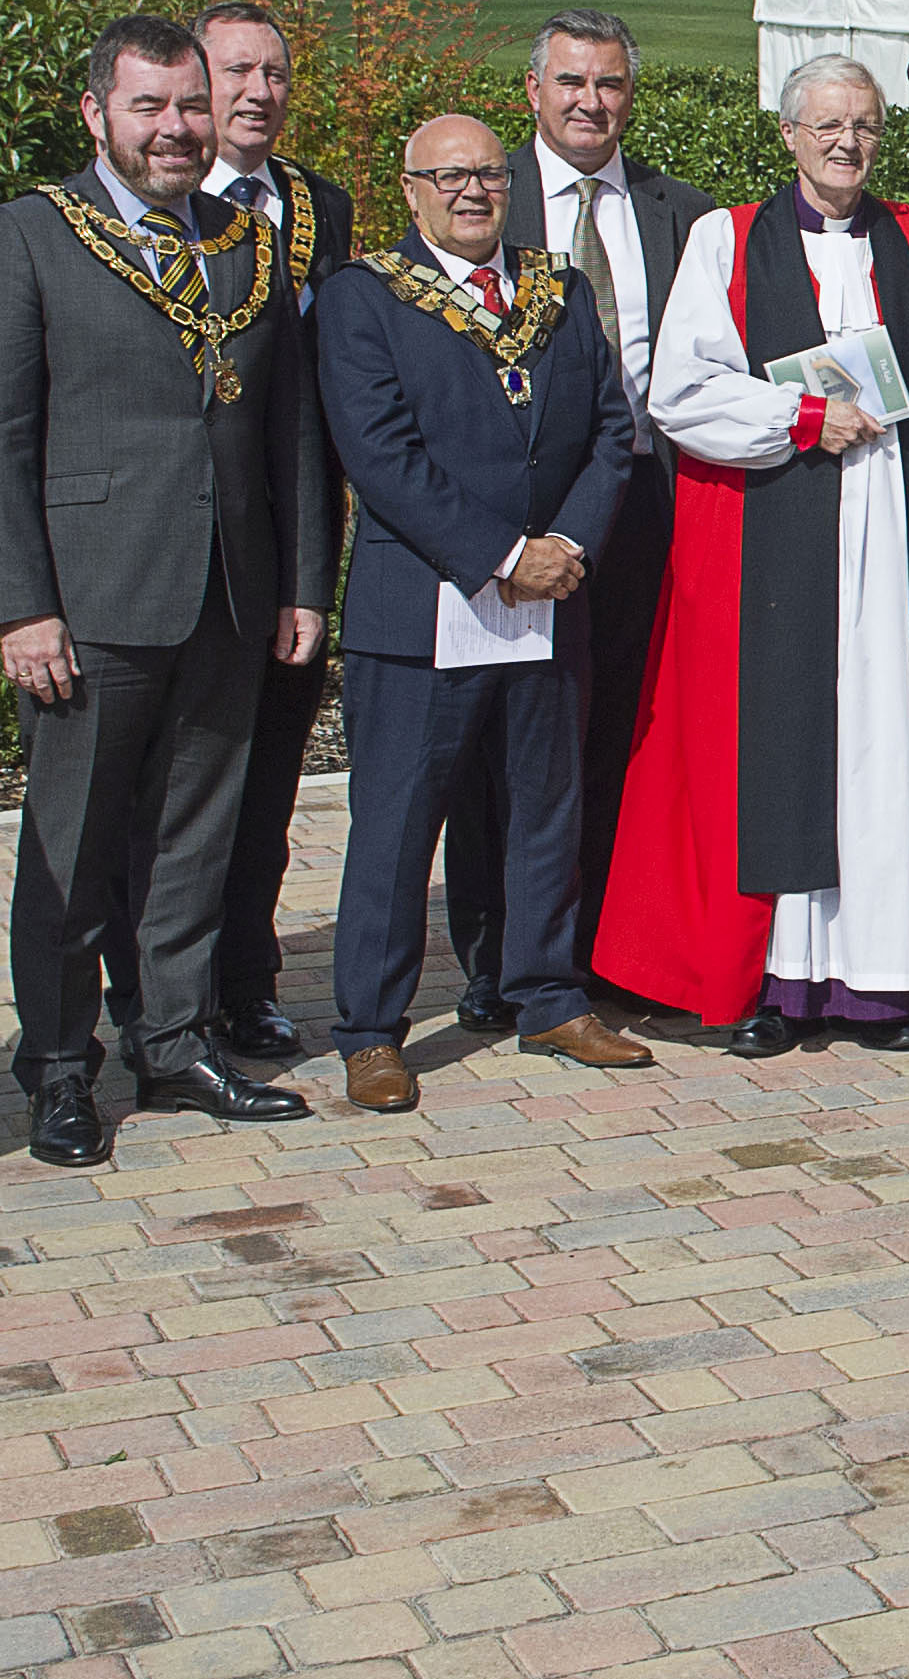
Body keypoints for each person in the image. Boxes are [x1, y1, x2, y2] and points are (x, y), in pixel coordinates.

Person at [0, 14, 328, 1167]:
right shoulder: (27, 238)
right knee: (73, 851)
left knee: (193, 839)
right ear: (97, 114)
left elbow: (289, 433)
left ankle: (172, 1041)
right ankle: (61, 1066)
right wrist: (23, 606)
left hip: (230, 593)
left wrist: (303, 582)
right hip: (92, 598)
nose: (174, 129)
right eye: (148, 107)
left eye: (188, 107)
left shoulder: (245, 242)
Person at [602, 55, 909, 1053]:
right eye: (826, 125)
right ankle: (779, 984)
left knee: (885, 746)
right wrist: (802, 416)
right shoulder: (725, 238)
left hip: (896, 541)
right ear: (787, 134)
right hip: (779, 532)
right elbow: (680, 389)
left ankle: (881, 981)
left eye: (863, 125)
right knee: (786, 754)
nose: (846, 142)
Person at [317, 116, 653, 1110]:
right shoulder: (363, 298)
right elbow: (379, 453)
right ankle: (372, 1030)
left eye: (487, 176)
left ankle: (547, 993)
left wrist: (568, 549)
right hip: (424, 603)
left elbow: (608, 428)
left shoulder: (560, 289)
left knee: (543, 806)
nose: (472, 192)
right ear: (411, 188)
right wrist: (503, 556)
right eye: (448, 176)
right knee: (397, 820)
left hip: (550, 600)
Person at [473, 9, 716, 1017]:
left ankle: (610, 950)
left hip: (655, 505)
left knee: (627, 726)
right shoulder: (484, 199)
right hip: (523, 518)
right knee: (508, 738)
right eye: (571, 81)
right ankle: (497, 959)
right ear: (534, 91)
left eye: (609, 83)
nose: (591, 101)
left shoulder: (685, 213)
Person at [192, 0, 355, 1066]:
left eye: (277, 74)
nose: (259, 93)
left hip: (299, 533)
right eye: (236, 72)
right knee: (179, 787)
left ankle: (244, 983)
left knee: (266, 786)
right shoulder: (151, 212)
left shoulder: (318, 207)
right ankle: (164, 992)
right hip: (186, 542)